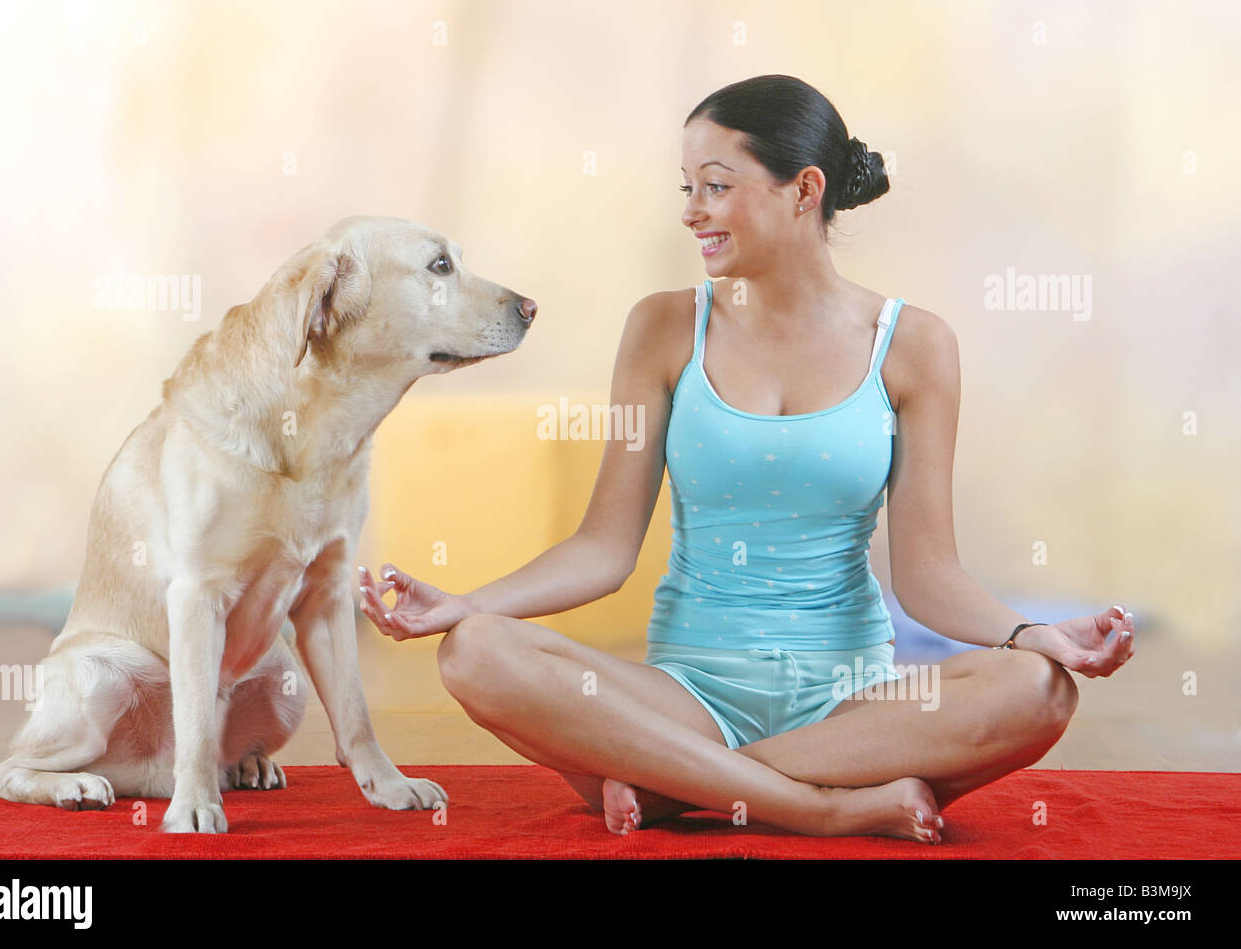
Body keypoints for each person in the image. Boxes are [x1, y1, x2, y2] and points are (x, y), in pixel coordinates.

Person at [355, 74, 1136, 843]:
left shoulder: (916, 345)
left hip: (852, 704)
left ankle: (680, 787)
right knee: (480, 651)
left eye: (717, 186)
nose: (692, 211)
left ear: (804, 191)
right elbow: (603, 547)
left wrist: (1030, 633)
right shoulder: (661, 329)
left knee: (1037, 689)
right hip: (685, 694)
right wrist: (466, 604)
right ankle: (818, 806)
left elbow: (929, 578)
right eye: (687, 186)